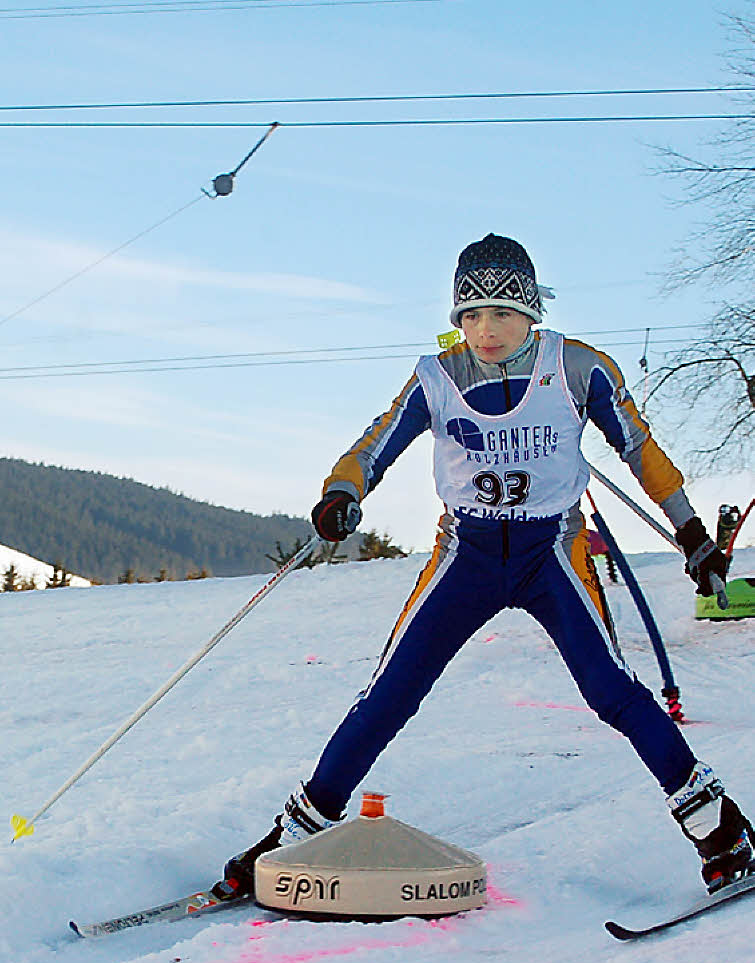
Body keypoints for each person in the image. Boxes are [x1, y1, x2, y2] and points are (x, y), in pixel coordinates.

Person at [213, 234, 754, 901]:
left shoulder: (578, 367)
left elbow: (639, 448)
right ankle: (294, 836)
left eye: (500, 313)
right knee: (388, 695)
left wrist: (692, 532)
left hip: (549, 553)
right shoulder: (435, 375)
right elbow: (373, 445)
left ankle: (719, 830)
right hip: (463, 554)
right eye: (469, 316)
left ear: (530, 312)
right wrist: (342, 493)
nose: (484, 330)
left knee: (610, 692)